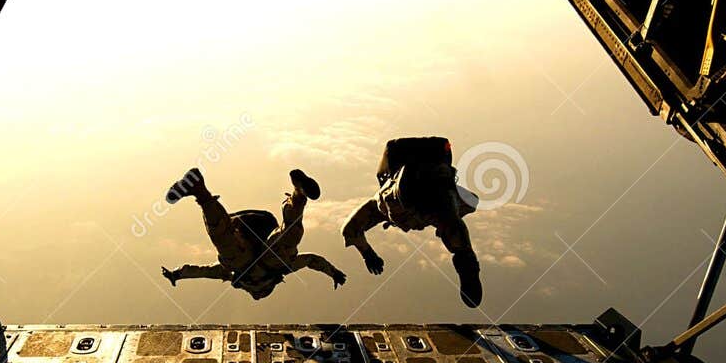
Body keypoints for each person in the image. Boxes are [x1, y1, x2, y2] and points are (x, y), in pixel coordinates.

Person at [160, 167, 346, 300]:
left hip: (247, 236)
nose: (256, 292)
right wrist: (333, 272)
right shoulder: (277, 269)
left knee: (286, 236)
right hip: (259, 235)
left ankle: (199, 190)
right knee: (287, 238)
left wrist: (178, 274)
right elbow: (312, 260)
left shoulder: (235, 273)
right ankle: (299, 194)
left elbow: (203, 271)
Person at [342, 136, 484, 308]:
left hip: (411, 191)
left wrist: (368, 254)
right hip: (433, 188)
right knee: (452, 212)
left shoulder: (381, 205)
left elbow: (350, 229)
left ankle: (465, 259)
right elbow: (469, 203)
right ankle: (466, 260)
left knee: (448, 211)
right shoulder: (444, 205)